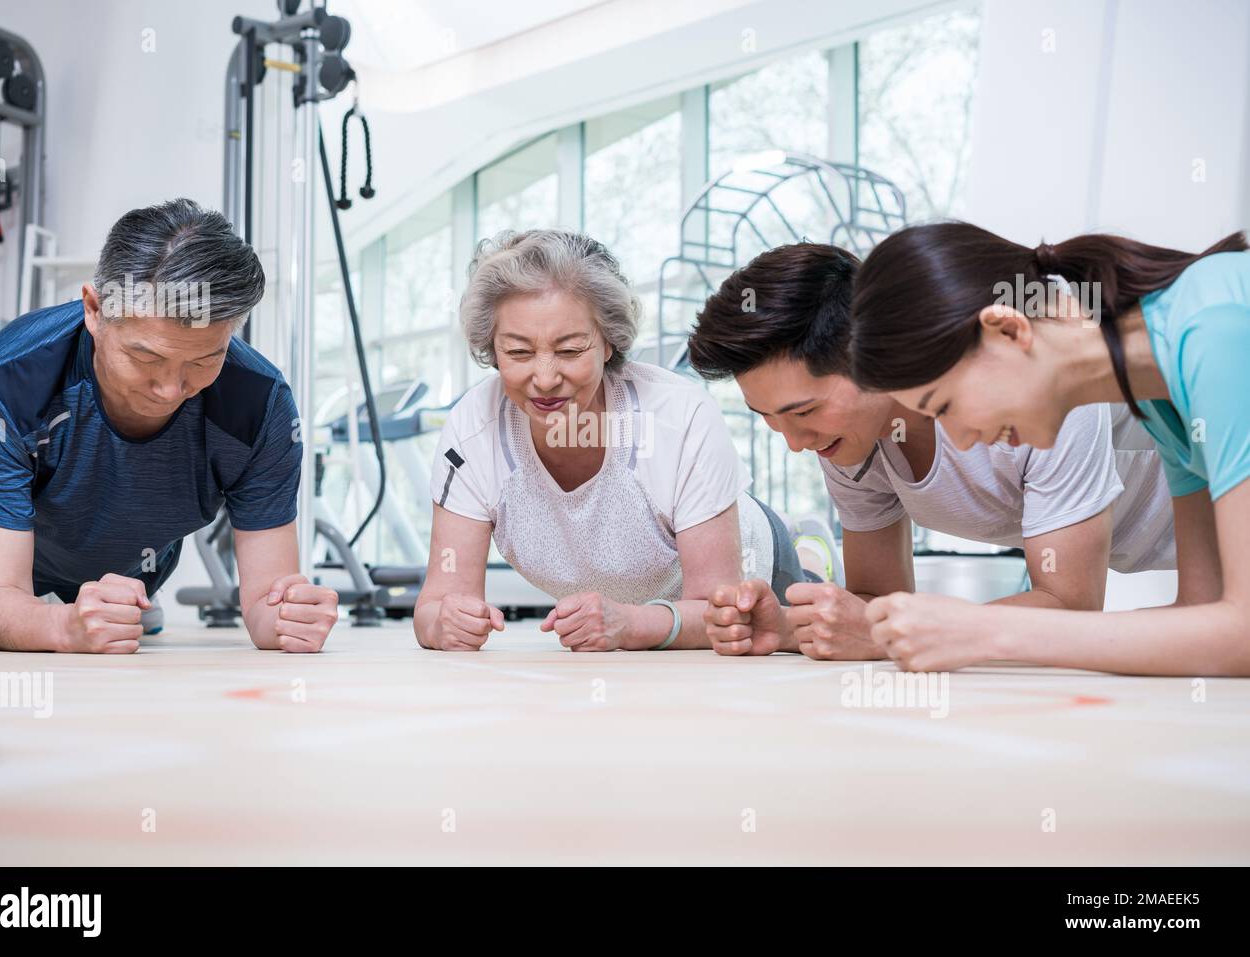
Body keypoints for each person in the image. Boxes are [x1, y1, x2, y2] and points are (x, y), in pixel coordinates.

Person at [688, 242, 1175, 661]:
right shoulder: (848, 440)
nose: (795, 443)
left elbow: (1070, 611)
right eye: (768, 418)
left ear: (868, 353)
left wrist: (882, 636)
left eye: (805, 411)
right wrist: (792, 627)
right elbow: (878, 600)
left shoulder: (1030, 384)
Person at [846, 221, 1250, 675]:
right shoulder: (1158, 397)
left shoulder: (1215, 328)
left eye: (945, 406)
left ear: (1006, 330)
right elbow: (1201, 608)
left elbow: (1242, 633)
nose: (959, 439)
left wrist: (984, 629)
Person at [0, 198, 338, 654]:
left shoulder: (261, 406)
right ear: (94, 310)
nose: (170, 390)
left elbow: (265, 599)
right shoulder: (2, 383)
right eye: (145, 357)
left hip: (125, 572)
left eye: (203, 360)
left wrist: (288, 618)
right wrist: (61, 628)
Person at [415, 228, 816, 653]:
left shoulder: (679, 415)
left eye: (570, 350)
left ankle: (808, 551)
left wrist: (629, 622)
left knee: (810, 607)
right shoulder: (471, 431)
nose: (546, 379)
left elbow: (721, 614)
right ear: (492, 350)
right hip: (630, 614)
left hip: (756, 574)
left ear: (608, 342)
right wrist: (444, 622)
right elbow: (433, 606)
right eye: (518, 353)